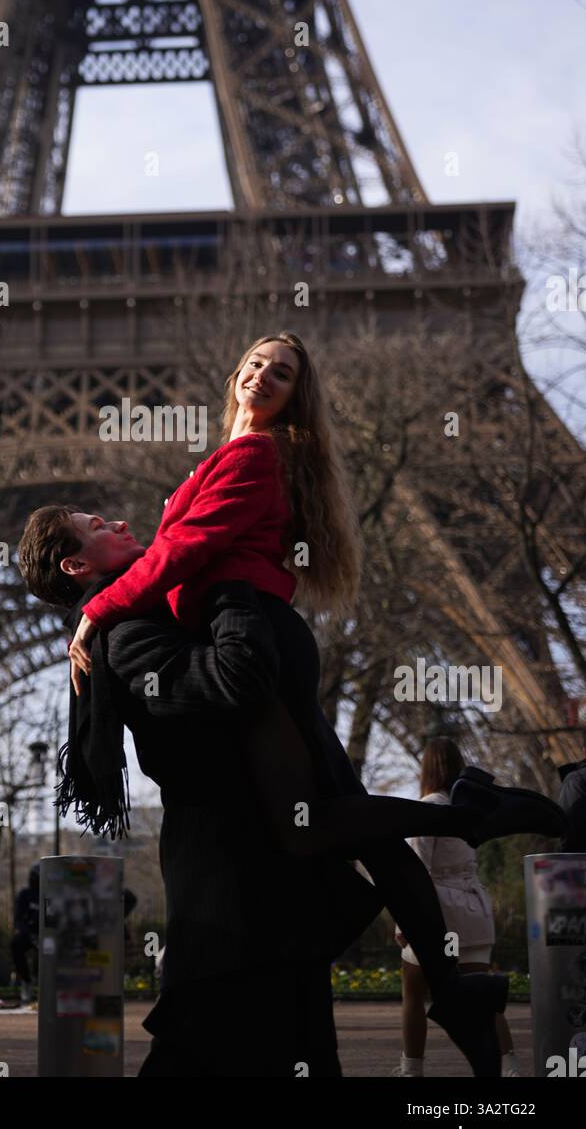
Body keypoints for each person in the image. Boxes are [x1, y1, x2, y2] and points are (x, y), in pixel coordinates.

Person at [62, 330, 567, 1075]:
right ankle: (457, 972)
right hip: (257, 625)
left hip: (250, 627)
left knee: (323, 820)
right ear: (236, 372)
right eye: (259, 363)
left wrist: (97, 609)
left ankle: (465, 822)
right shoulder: (227, 456)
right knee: (333, 817)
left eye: (285, 372)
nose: (267, 375)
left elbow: (179, 555)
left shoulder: (252, 455)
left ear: (297, 395)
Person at [19, 518, 387, 1075]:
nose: (117, 520)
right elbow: (239, 678)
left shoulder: (135, 617)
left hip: (258, 880)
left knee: (279, 1044)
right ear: (76, 565)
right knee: (204, 1045)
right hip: (233, 884)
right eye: (95, 525)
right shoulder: (126, 635)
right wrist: (228, 573)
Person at [392, 737, 520, 1077]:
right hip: (473, 910)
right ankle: (509, 1065)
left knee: (413, 994)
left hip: (438, 914)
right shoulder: (469, 809)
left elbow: (417, 872)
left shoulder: (427, 807)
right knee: (485, 999)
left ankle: (412, 1069)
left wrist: (403, 924)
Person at [12, 864, 39, 1004]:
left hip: (46, 935)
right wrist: (28, 933)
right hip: (29, 934)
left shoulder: (49, 894)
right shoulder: (25, 895)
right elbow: (18, 919)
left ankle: (43, 981)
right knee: (16, 944)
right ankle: (26, 981)